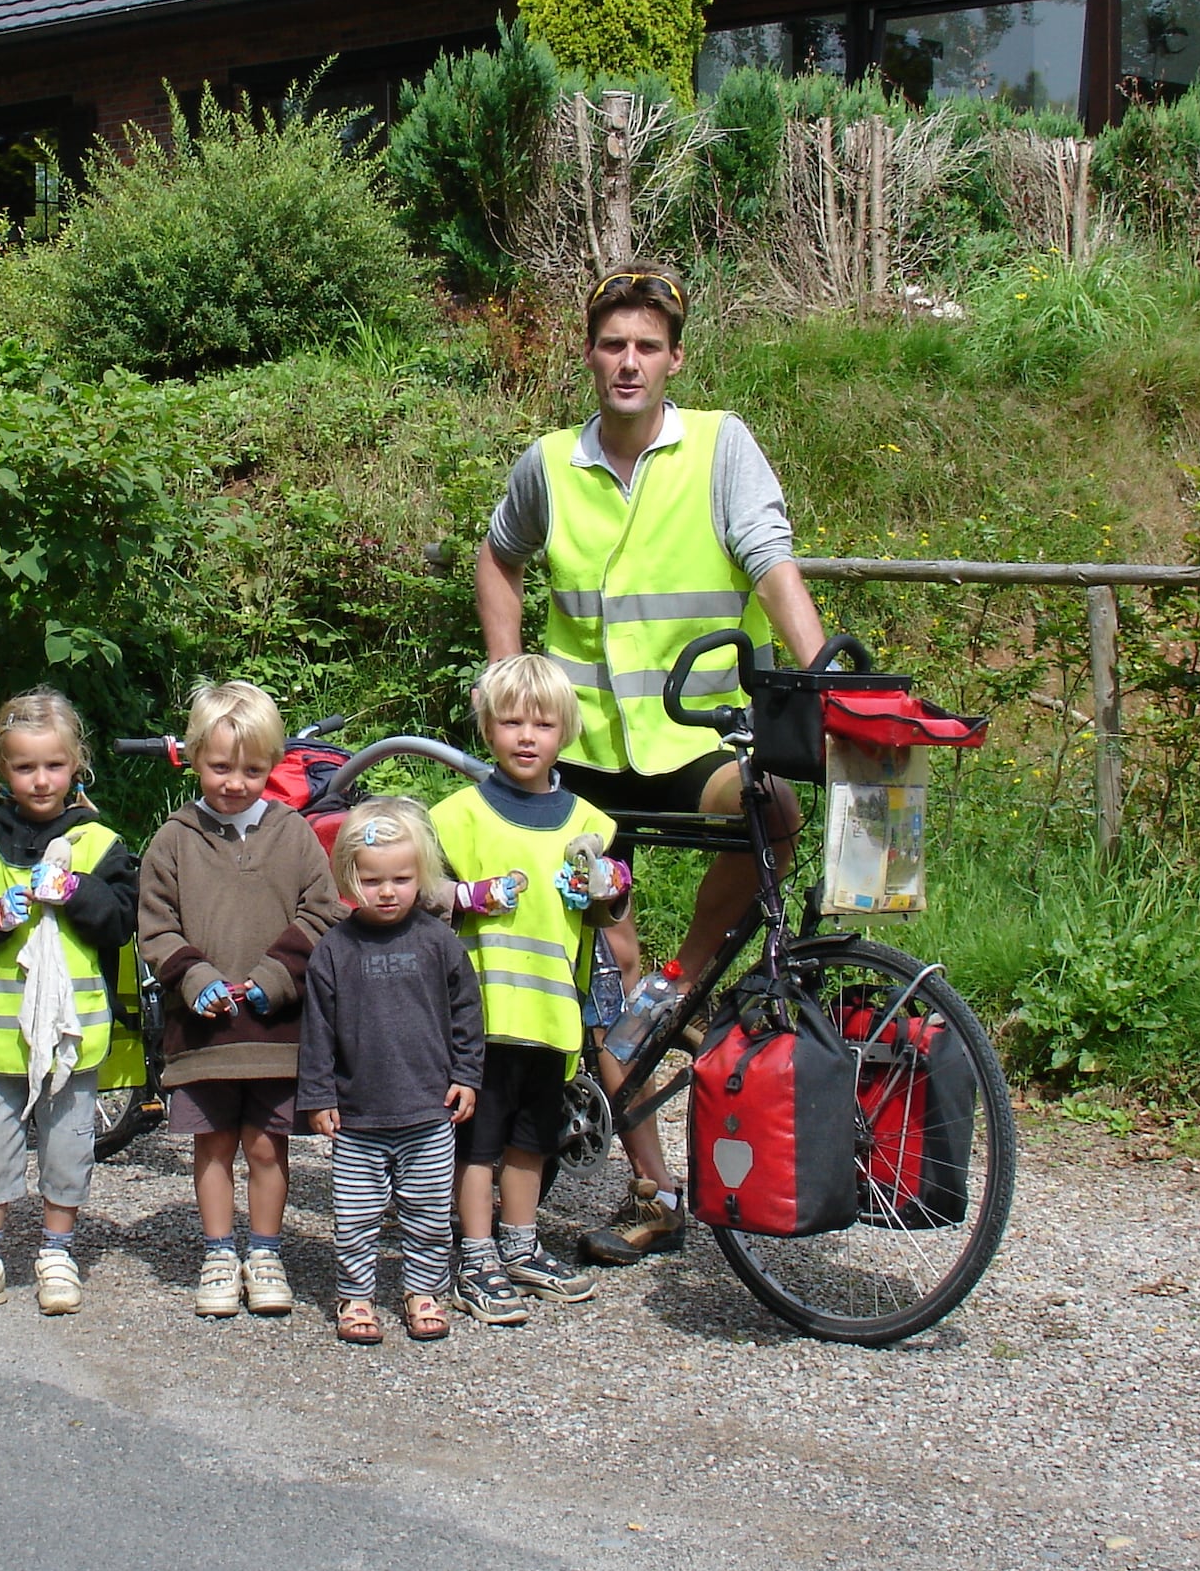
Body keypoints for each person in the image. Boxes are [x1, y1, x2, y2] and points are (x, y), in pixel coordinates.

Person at [473, 263, 828, 1268]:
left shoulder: (718, 445)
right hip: (579, 757)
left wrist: (822, 684)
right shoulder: (548, 462)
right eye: (610, 345)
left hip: (685, 739)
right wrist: (508, 683)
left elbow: (770, 561)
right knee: (601, 962)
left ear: (672, 358)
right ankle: (652, 1187)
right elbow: (495, 557)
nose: (627, 362)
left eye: (645, 347)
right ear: (587, 355)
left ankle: (678, 985)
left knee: (771, 812)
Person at [0, 690, 139, 1319]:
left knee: (68, 1145)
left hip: (73, 1039)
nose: (40, 780)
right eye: (24, 767)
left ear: (77, 767)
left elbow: (121, 921)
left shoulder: (100, 844)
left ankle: (56, 1249)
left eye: (53, 766)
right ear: (2, 771)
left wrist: (76, 892)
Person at [430, 654, 628, 1325]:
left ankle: (519, 1243)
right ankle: (475, 1255)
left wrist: (611, 892)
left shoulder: (589, 824)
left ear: (565, 732)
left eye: (542, 723)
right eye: (510, 720)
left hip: (552, 1015)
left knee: (531, 1140)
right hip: (479, 1018)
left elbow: (601, 913)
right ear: (487, 726)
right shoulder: (457, 816)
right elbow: (420, 897)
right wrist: (467, 895)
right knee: (477, 1143)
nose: (525, 735)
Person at [138, 681, 343, 1320]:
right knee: (213, 1145)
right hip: (202, 1035)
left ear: (274, 765)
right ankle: (219, 1253)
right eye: (221, 766)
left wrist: (274, 976)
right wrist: (193, 979)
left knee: (266, 1146)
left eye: (253, 769)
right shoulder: (172, 839)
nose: (235, 782)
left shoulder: (294, 834)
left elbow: (323, 911)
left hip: (276, 1029)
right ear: (195, 758)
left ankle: (265, 1251)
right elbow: (155, 925)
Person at [298, 798, 482, 1346]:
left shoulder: (439, 941)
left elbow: (469, 1014)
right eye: (373, 879)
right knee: (354, 1217)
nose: (387, 891)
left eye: (402, 878)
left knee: (427, 1211)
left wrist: (467, 1074)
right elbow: (318, 1029)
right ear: (350, 878)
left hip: (428, 1110)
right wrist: (318, 1094)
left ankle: (424, 1289)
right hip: (358, 1116)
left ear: (421, 876)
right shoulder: (335, 948)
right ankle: (356, 1296)